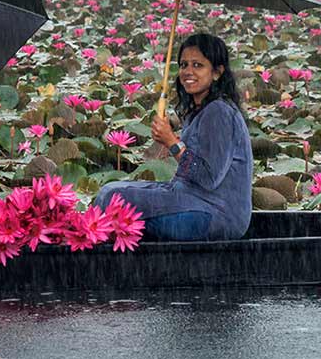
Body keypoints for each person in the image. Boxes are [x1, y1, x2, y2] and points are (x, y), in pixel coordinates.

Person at [92, 33, 253, 241]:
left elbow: (208, 178)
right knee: (109, 192)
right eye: (184, 65)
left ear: (217, 72)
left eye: (198, 65)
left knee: (113, 202)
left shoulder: (219, 112)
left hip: (215, 215)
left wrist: (172, 143)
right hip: (190, 199)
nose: (188, 72)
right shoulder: (202, 109)